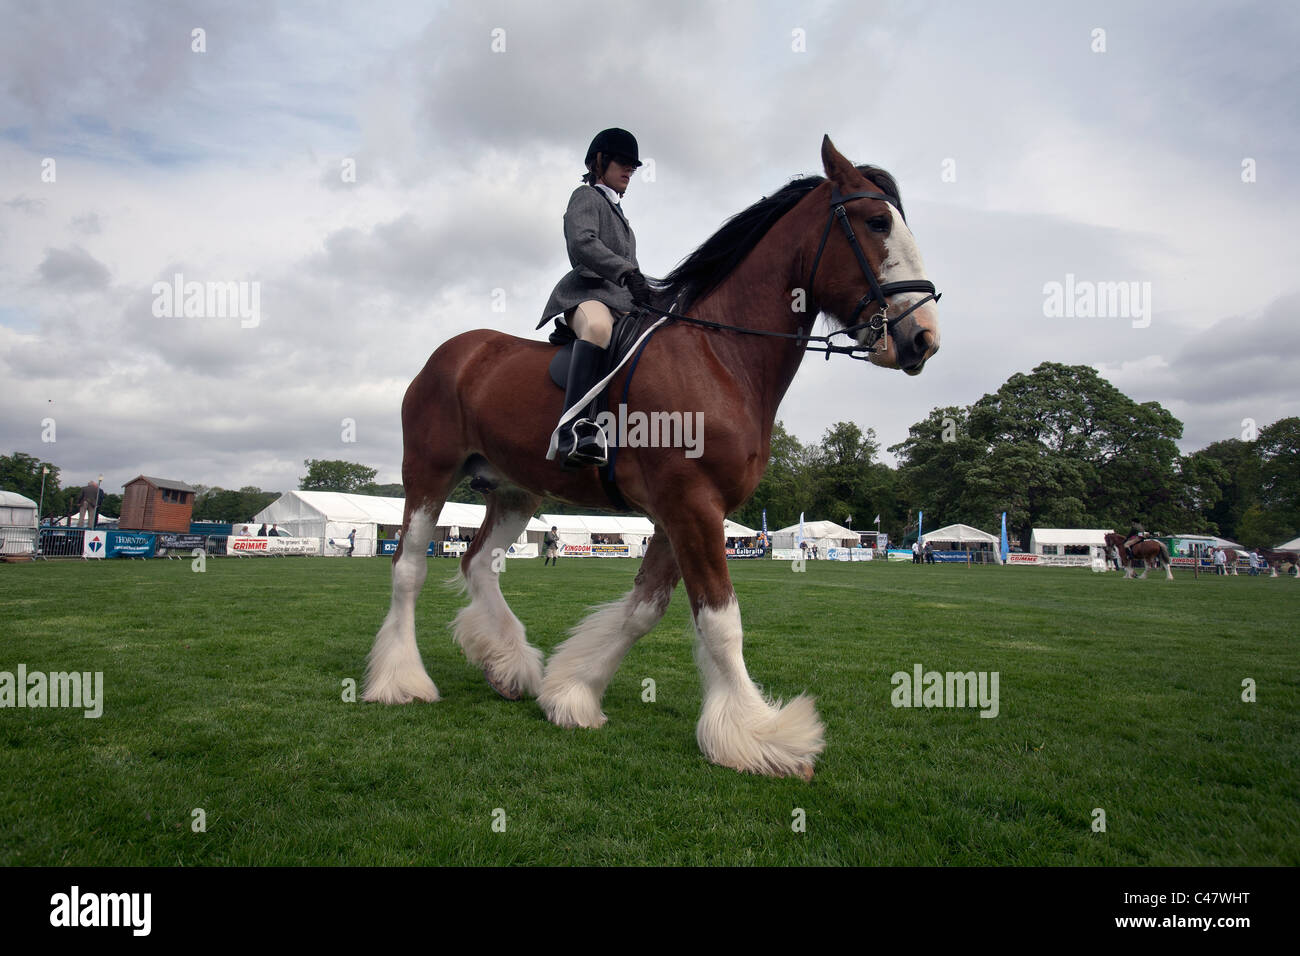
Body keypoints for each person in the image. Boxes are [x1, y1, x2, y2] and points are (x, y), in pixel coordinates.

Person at [536, 128, 650, 468]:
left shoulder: (621, 216)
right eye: (623, 163)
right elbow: (582, 244)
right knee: (598, 328)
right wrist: (626, 273)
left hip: (620, 300)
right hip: (586, 295)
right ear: (600, 162)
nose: (629, 170)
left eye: (633, 165)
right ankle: (571, 430)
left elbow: (631, 268)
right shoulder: (585, 197)